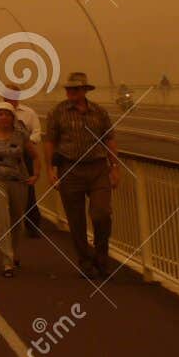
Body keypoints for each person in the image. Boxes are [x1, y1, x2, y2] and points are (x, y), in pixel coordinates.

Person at [43, 71, 121, 279]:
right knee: (76, 220)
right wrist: (50, 169)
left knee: (101, 213)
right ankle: (85, 262)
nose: (71, 92)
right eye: (69, 89)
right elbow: (50, 141)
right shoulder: (58, 112)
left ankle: (102, 257)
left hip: (98, 168)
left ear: (85, 90)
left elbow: (109, 139)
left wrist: (115, 166)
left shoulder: (99, 112)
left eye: (76, 89)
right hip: (70, 169)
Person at [0, 103, 40, 277]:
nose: (3, 117)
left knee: (17, 219)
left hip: (18, 180)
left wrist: (36, 175)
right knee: (1, 219)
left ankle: (13, 251)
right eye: (0, 114)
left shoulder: (21, 135)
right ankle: (7, 261)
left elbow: (35, 156)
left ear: (13, 117)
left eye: (7, 114)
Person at [0, 90, 43, 239]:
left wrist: (26, 142)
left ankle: (33, 225)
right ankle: (10, 224)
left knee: (28, 189)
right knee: (6, 190)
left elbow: (37, 132)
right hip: (5, 155)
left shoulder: (29, 113)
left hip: (25, 155)